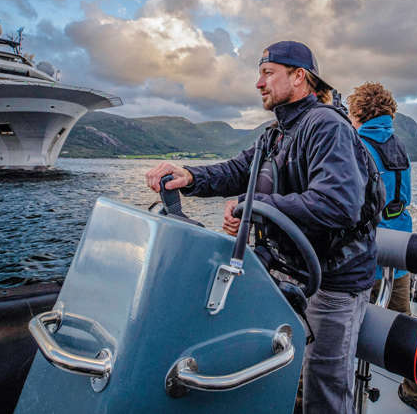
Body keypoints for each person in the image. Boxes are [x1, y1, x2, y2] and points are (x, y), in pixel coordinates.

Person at [145, 41, 378, 414]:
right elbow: (239, 171)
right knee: (280, 365)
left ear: (299, 77)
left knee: (324, 382)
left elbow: (339, 205)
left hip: (334, 282)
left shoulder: (326, 126)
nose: (258, 83)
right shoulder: (277, 133)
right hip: (289, 271)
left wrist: (255, 207)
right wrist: (188, 176)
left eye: (268, 73)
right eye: (260, 73)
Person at [347, 82, 417, 414]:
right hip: (399, 250)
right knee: (402, 322)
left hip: (362, 254)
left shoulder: (354, 146)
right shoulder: (398, 145)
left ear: (357, 112)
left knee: (337, 326)